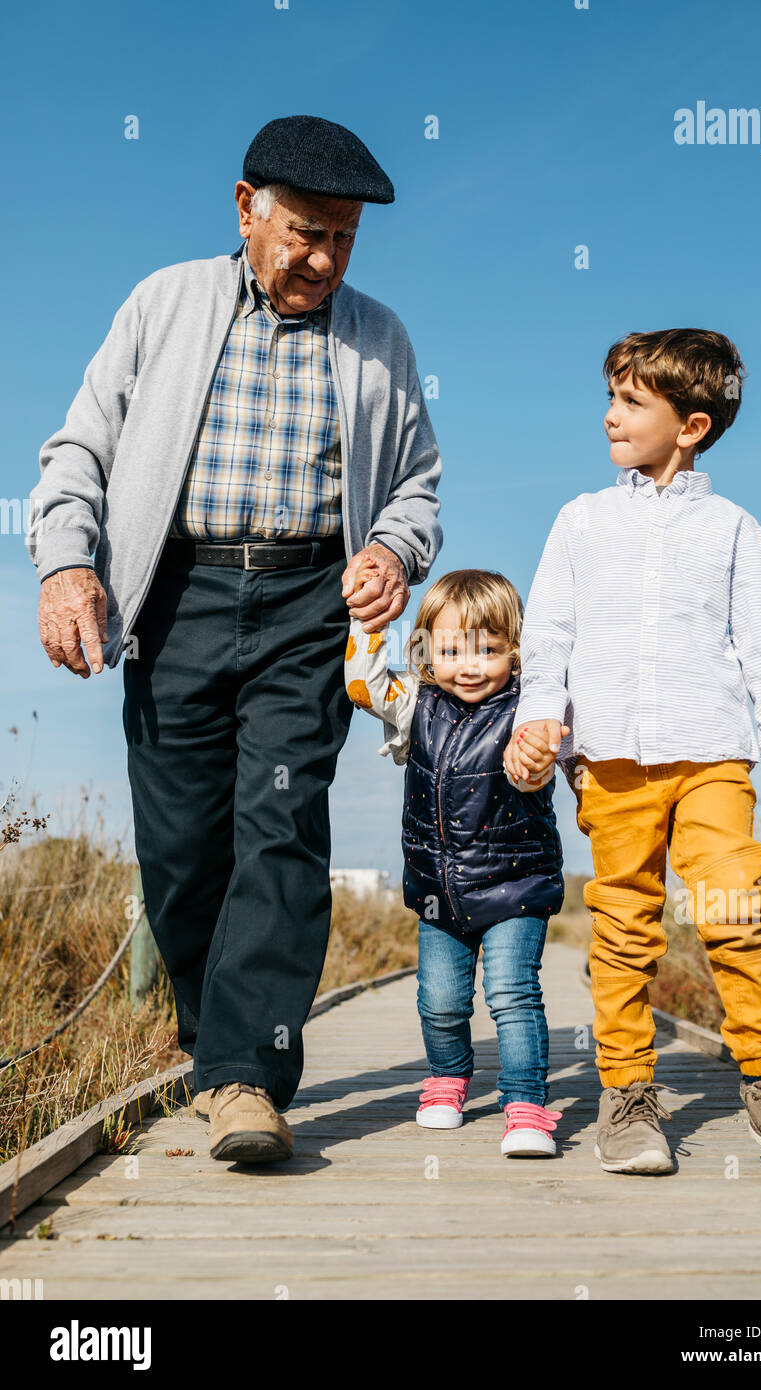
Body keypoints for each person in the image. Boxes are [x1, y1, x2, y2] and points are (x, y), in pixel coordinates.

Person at [26, 115, 442, 1164]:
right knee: (180, 854)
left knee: (282, 829)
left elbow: (416, 486)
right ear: (246, 205)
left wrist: (393, 550)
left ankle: (247, 1074)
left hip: (307, 607)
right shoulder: (162, 302)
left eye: (343, 238)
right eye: (305, 231)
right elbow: (78, 446)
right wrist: (67, 564)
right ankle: (207, 1039)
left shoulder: (379, 337)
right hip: (176, 600)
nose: (323, 259)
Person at [504, 328, 761, 1190]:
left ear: (691, 425)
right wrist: (542, 714)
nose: (610, 415)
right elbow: (548, 633)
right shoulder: (580, 521)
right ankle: (626, 1096)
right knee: (624, 926)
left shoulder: (734, 529)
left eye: (631, 401)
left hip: (712, 758)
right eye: (612, 396)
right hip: (612, 760)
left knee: (737, 909)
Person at [344, 568, 565, 1155]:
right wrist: (373, 624)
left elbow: (549, 755)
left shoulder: (528, 713)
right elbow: (362, 686)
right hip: (438, 891)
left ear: (514, 652)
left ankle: (526, 1103)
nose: (469, 665)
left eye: (488, 650)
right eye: (449, 650)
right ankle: (448, 1079)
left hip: (516, 888)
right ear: (424, 652)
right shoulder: (415, 705)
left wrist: (539, 756)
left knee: (512, 993)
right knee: (440, 999)